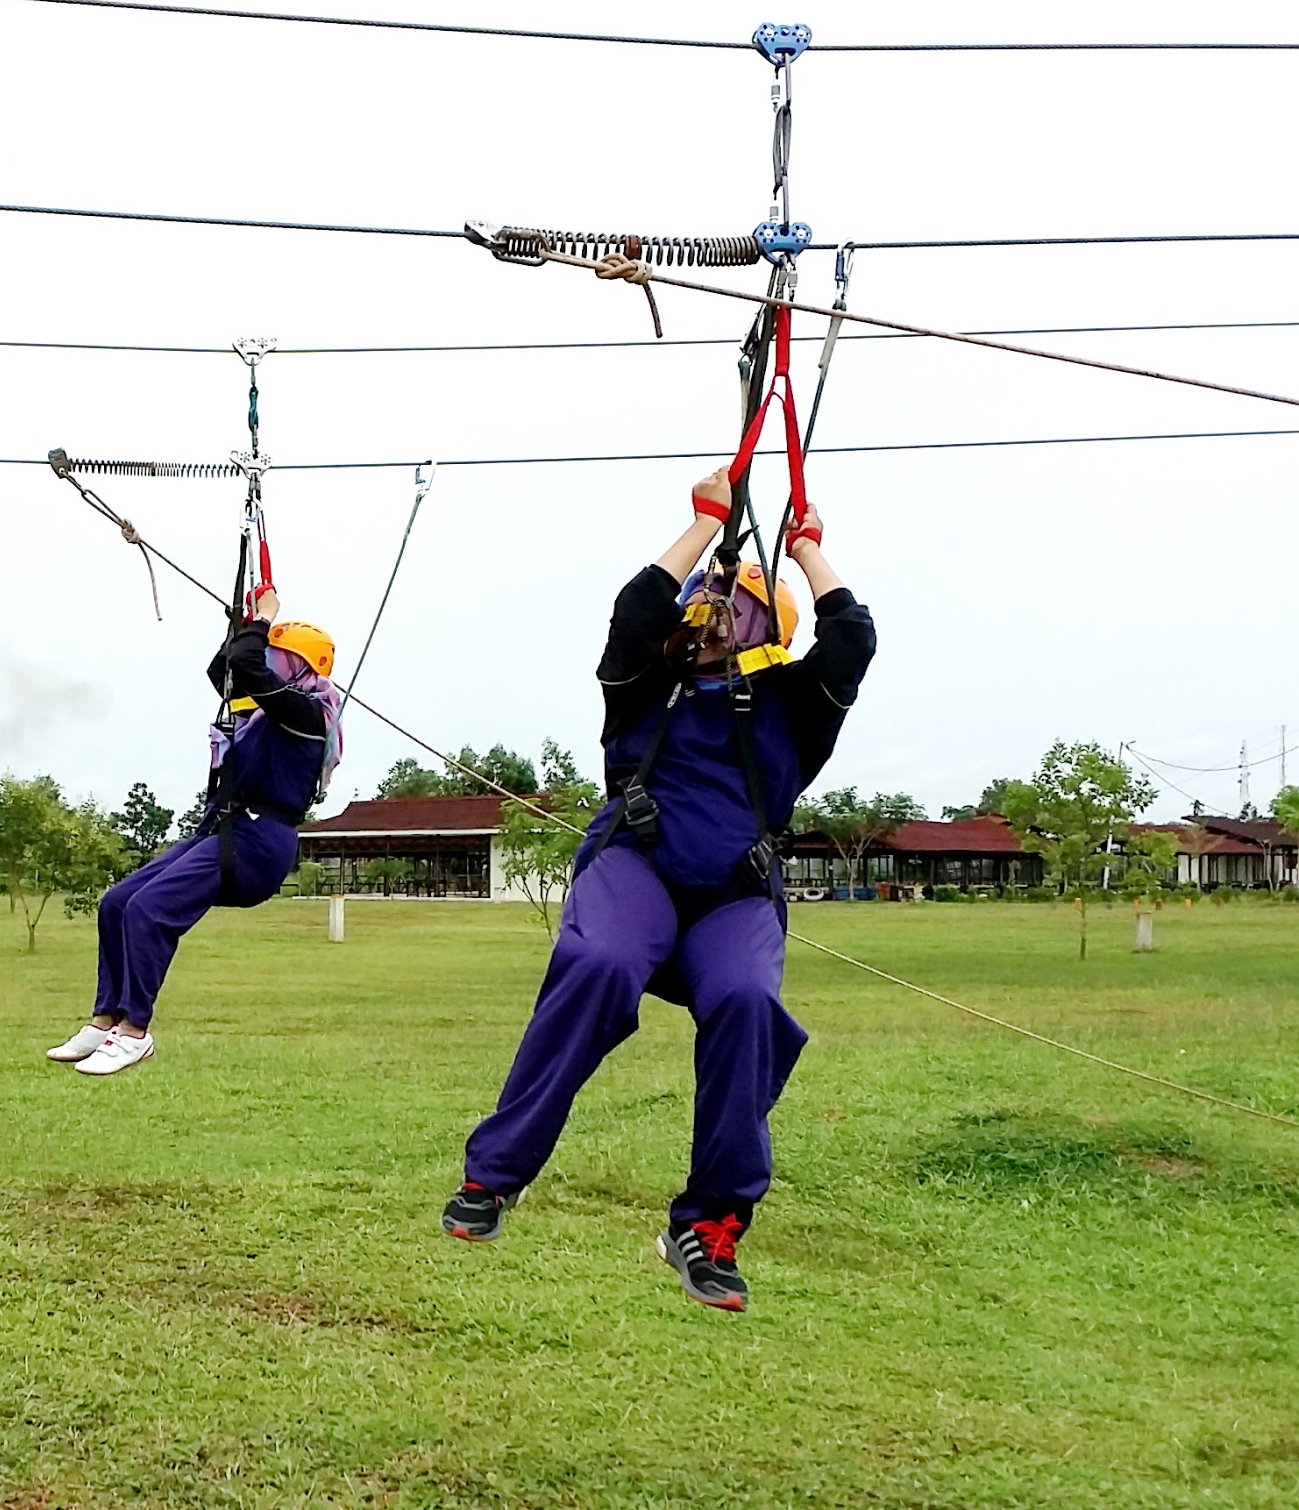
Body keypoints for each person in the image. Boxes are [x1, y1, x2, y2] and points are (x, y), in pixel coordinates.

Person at [441, 468, 876, 1311]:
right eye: (705, 598)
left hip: (733, 890)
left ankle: (708, 1224)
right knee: (601, 963)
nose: (709, 609)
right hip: (635, 865)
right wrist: (706, 528)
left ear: (763, 633)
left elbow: (852, 639)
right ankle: (494, 1177)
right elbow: (638, 606)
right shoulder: (646, 680)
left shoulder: (794, 703)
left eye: (730, 603)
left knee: (750, 1002)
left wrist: (808, 548)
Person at [45, 586, 342, 1076]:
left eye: (276, 656)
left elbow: (248, 667)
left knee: (149, 912)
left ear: (299, 665)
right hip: (228, 831)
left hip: (258, 843)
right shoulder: (268, 709)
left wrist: (263, 619)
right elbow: (225, 672)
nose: (267, 659)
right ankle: (106, 1019)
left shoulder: (306, 715)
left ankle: (135, 1031)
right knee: (117, 903)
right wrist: (242, 624)